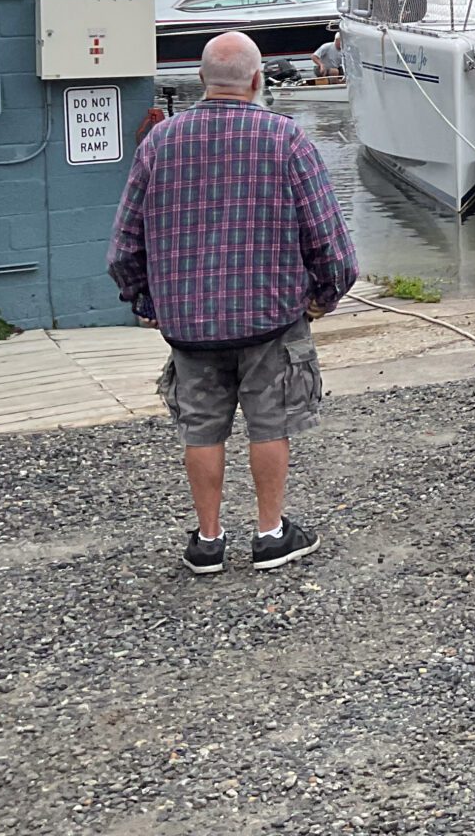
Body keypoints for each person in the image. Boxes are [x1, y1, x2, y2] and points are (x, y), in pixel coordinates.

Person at [107, 31, 357, 575]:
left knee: (202, 427)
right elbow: (330, 243)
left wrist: (146, 302)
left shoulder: (159, 143)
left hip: (189, 322)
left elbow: (125, 245)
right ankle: (270, 535)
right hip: (270, 318)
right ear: (256, 79)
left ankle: (208, 542)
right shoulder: (286, 139)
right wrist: (322, 298)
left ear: (201, 79)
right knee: (270, 424)